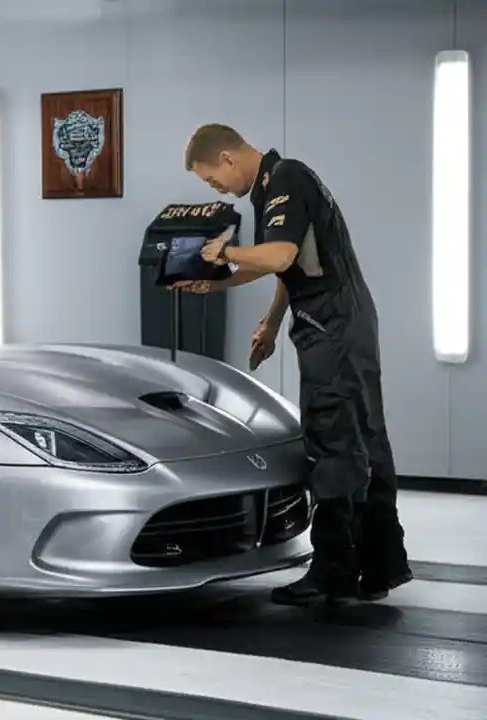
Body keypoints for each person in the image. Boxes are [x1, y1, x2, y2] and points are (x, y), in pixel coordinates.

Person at [176, 123, 411, 606]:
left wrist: (223, 252)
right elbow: (287, 265)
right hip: (339, 321)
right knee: (362, 437)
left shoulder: (285, 179)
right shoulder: (274, 185)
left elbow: (280, 254)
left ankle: (334, 572)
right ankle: (379, 567)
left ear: (227, 157)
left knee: (334, 443)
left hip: (332, 325)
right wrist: (245, 304)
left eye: (212, 179)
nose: (216, 188)